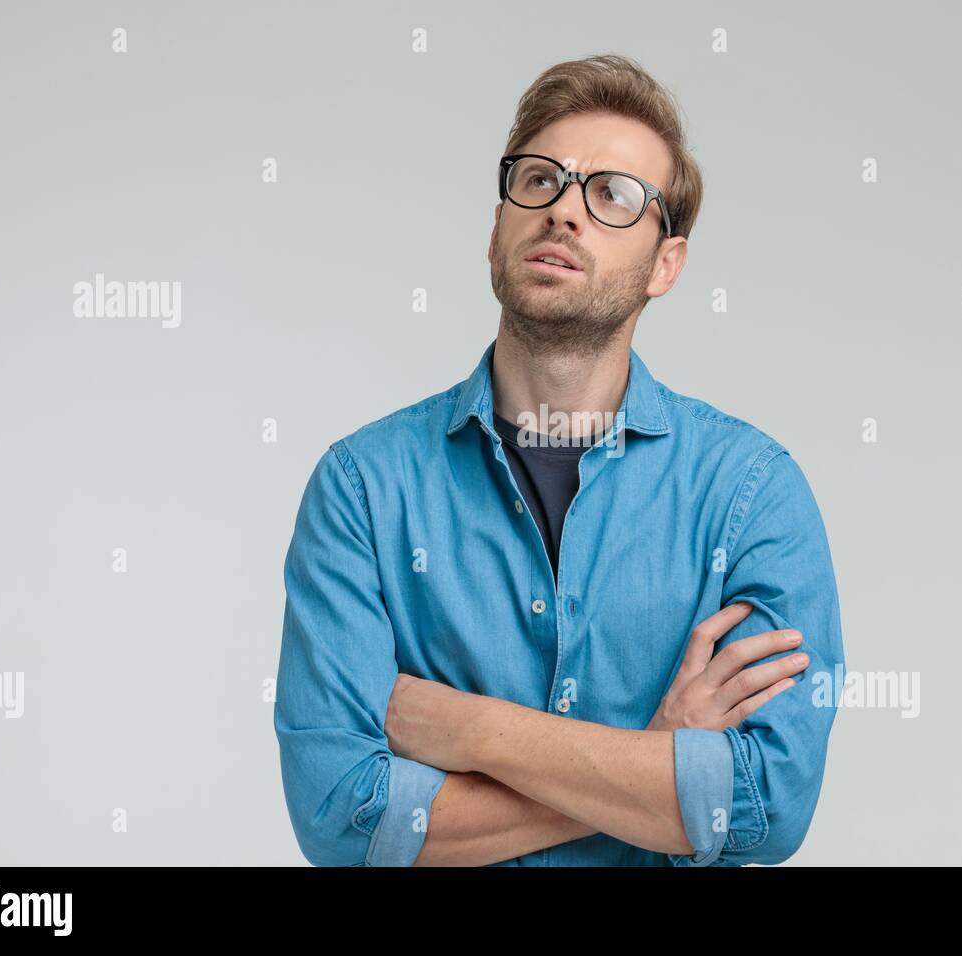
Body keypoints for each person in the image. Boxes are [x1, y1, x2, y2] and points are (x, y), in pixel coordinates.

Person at [274, 54, 845, 866]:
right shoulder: (363, 489)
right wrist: (655, 753)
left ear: (665, 265)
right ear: (496, 228)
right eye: (539, 181)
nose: (564, 212)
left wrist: (474, 731)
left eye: (613, 194)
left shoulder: (750, 491)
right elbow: (342, 820)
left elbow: (764, 806)